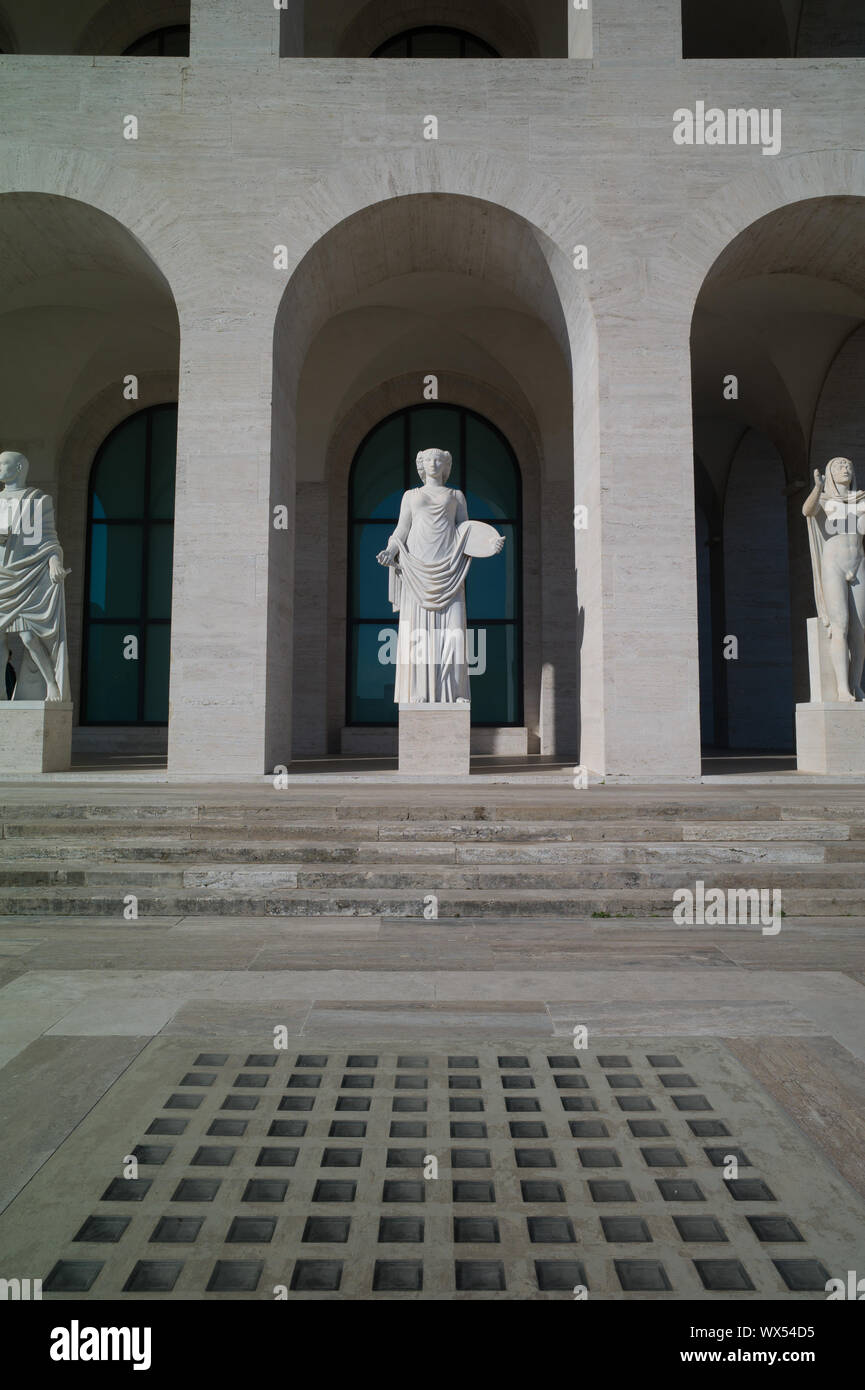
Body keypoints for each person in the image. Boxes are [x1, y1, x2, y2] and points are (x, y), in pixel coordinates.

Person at [376, 447, 504, 704]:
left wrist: (490, 545)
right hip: (416, 568)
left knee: (453, 631)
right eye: (428, 459)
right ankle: (419, 690)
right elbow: (402, 529)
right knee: (419, 631)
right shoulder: (411, 496)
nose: (433, 463)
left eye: (439, 459)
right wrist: (390, 551)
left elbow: (466, 531)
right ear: (420, 465)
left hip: (449, 570)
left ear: (446, 466)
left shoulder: (456, 495)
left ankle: (454, 691)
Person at [0, 450, 70, 702]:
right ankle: (2, 693)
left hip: (24, 575)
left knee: (28, 637)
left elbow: (48, 539)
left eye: (4, 463)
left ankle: (51, 683)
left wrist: (54, 563)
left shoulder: (37, 500)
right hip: (1, 575)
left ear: (19, 468)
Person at [802, 455, 865, 702]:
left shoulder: (861, 499)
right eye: (839, 465)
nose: (845, 468)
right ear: (829, 472)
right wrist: (817, 487)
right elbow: (807, 511)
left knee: (860, 631)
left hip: (858, 563)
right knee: (840, 625)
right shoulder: (825, 499)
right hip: (833, 564)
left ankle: (856, 684)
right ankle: (842, 688)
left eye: (849, 465)